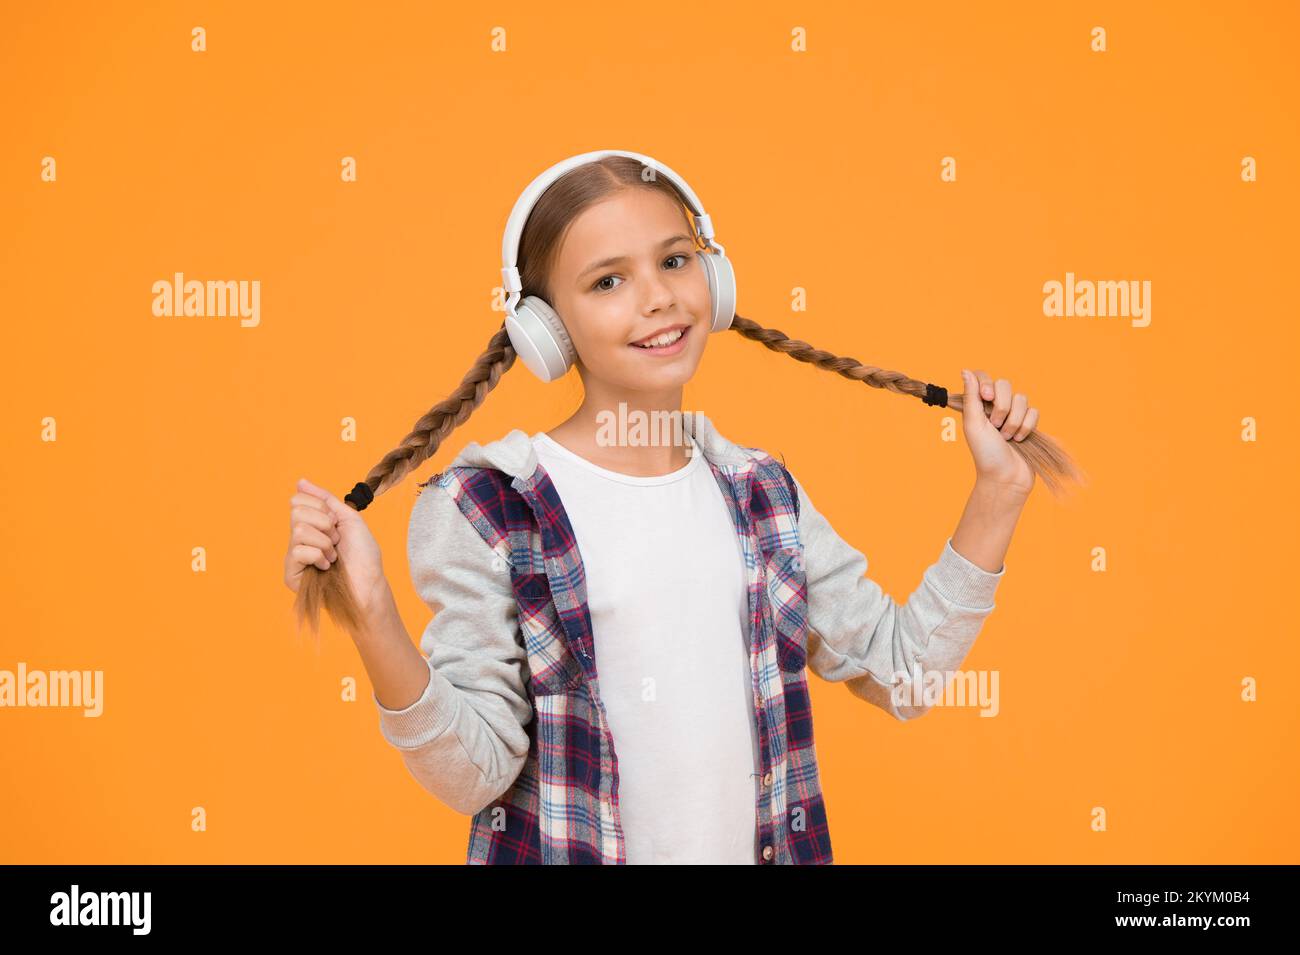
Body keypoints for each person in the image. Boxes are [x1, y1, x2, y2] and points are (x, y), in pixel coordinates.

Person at [282, 151, 1082, 864]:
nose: (658, 297)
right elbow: (475, 775)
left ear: (717, 280)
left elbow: (902, 676)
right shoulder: (490, 508)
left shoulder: (763, 496)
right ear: (546, 328)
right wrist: (376, 616)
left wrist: (998, 492)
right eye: (608, 280)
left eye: (675, 260)